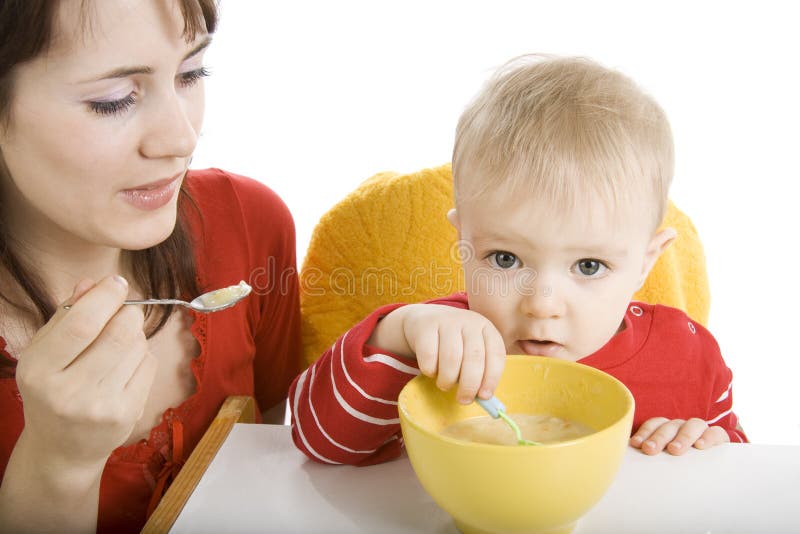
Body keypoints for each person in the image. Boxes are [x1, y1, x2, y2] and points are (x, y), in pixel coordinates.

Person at [289, 54, 746, 467]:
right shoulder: (438, 345)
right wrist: (397, 333)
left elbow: (743, 468)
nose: (541, 304)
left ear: (647, 263)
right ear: (463, 243)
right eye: (505, 258)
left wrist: (705, 443)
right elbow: (318, 442)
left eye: (589, 266)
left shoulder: (688, 355)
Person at [0, 1, 302, 532]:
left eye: (192, 72)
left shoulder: (251, 228)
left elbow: (274, 468)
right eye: (113, 101)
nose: (181, 139)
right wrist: (56, 467)